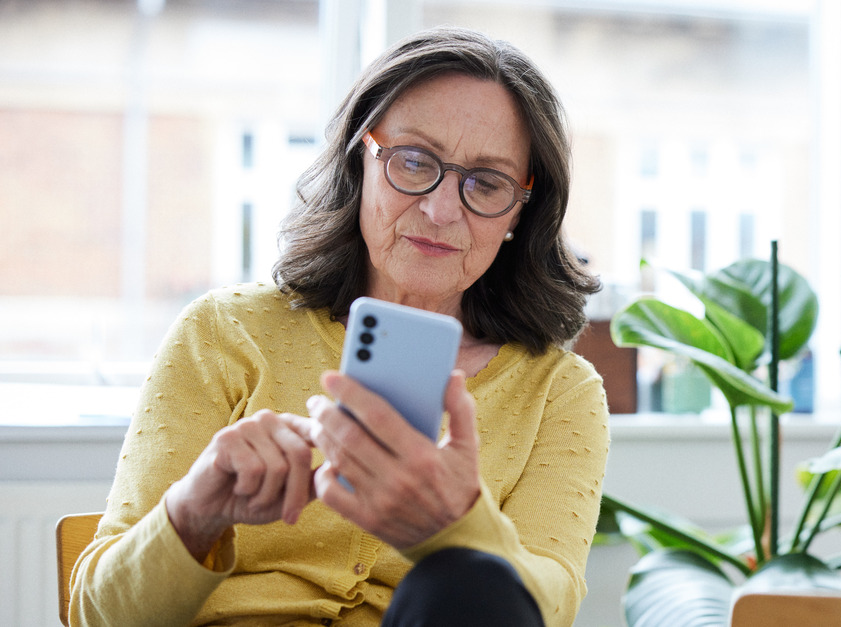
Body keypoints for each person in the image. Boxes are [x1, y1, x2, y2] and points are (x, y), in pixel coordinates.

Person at [69, 26, 610, 627]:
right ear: (362, 161)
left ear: (520, 212)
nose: (440, 209)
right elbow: (99, 614)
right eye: (413, 161)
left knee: (470, 583)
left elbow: (549, 610)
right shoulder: (223, 334)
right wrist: (195, 512)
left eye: (486, 182)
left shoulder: (560, 392)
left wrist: (457, 525)